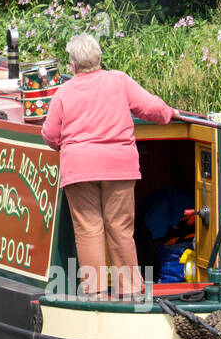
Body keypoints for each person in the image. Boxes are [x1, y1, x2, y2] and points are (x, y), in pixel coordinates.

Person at [41, 33, 179, 300]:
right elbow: (151, 108)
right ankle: (131, 291)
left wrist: (65, 144)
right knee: (120, 228)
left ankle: (95, 292)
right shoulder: (119, 81)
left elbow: (50, 135)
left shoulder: (63, 93)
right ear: (100, 58)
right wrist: (169, 113)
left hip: (80, 169)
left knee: (89, 229)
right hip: (119, 166)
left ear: (72, 65)